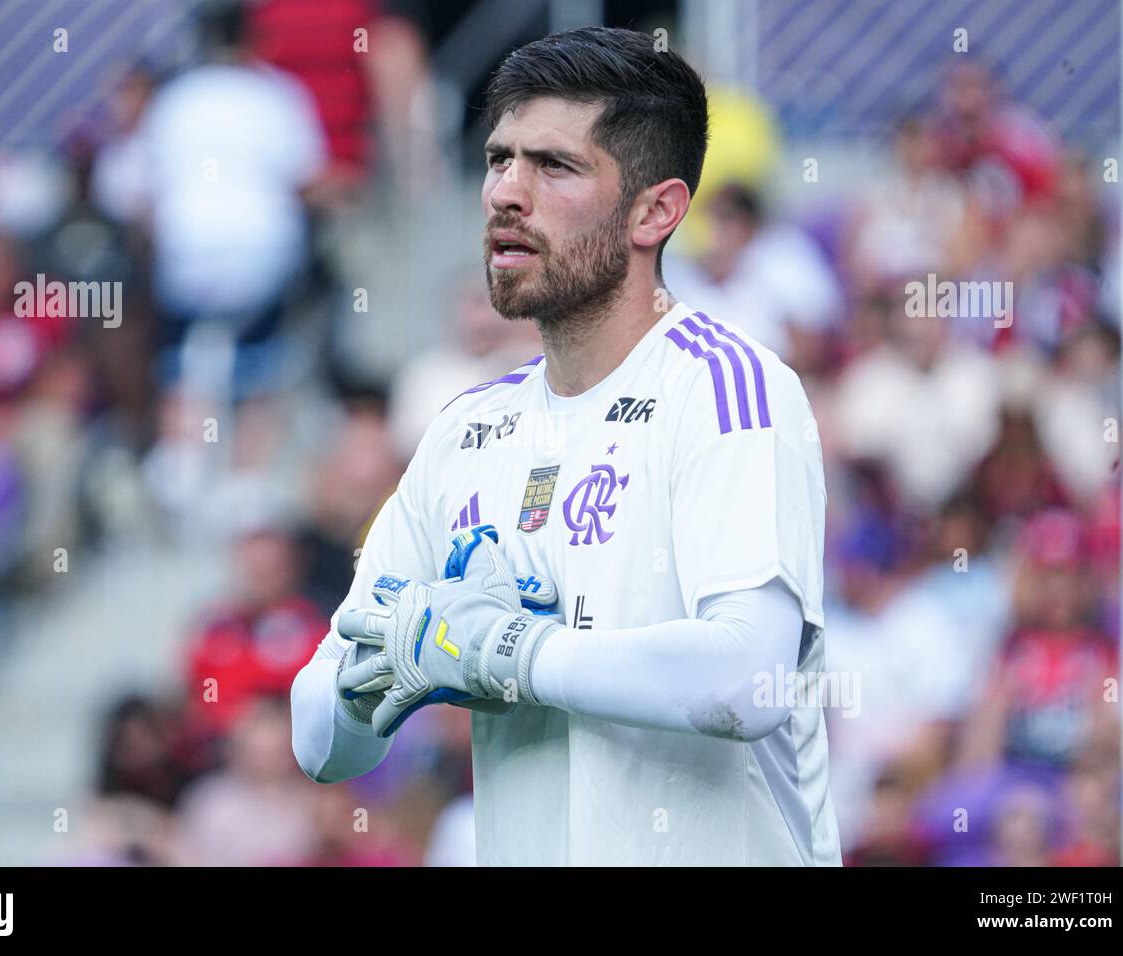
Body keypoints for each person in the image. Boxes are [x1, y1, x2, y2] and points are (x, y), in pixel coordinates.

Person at [290, 27, 839, 866]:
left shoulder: (731, 390)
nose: (506, 193)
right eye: (498, 159)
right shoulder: (463, 432)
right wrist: (385, 671)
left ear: (657, 211)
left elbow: (747, 681)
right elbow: (319, 741)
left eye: (554, 166)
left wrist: (505, 650)